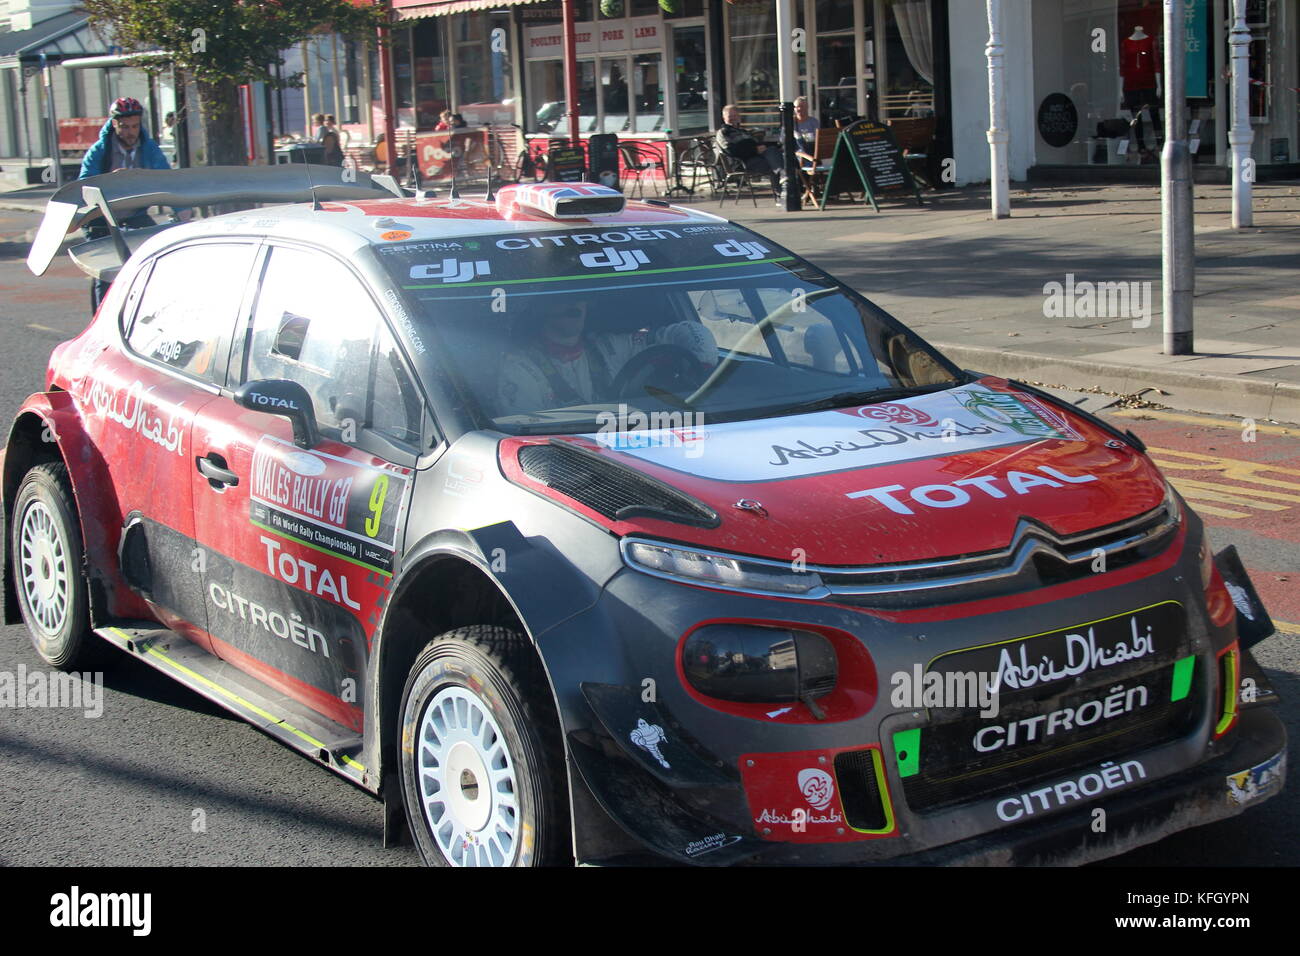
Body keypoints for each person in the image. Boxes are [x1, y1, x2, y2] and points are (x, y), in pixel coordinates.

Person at [496, 299, 717, 414]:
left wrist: (702, 369)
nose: (573, 304)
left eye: (578, 297)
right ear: (541, 309)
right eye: (561, 297)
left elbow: (689, 331)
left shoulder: (610, 346)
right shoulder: (519, 369)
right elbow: (528, 433)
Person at [79, 97, 174, 312]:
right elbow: (84, 184)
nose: (131, 132)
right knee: (106, 271)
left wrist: (181, 211)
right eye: (124, 127)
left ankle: (147, 314)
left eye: (134, 126)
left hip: (134, 213)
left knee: (156, 254)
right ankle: (100, 322)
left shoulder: (149, 149)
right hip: (101, 216)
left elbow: (168, 181)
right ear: (114, 124)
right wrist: (110, 181)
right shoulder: (99, 151)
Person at [715, 103, 782, 202]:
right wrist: (754, 150)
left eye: (735, 116)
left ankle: (784, 188)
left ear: (739, 117)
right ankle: (783, 191)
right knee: (775, 164)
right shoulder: (723, 132)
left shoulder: (744, 132)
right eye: (730, 116)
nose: (733, 118)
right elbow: (732, 151)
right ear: (724, 118)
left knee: (776, 153)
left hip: (755, 158)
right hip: (741, 163)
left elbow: (755, 145)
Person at [788, 96, 821, 163]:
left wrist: (800, 137)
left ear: (807, 107)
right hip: (798, 154)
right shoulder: (790, 122)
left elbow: (816, 139)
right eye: (797, 107)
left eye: (802, 106)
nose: (799, 109)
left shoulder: (814, 122)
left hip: (811, 151)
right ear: (794, 109)